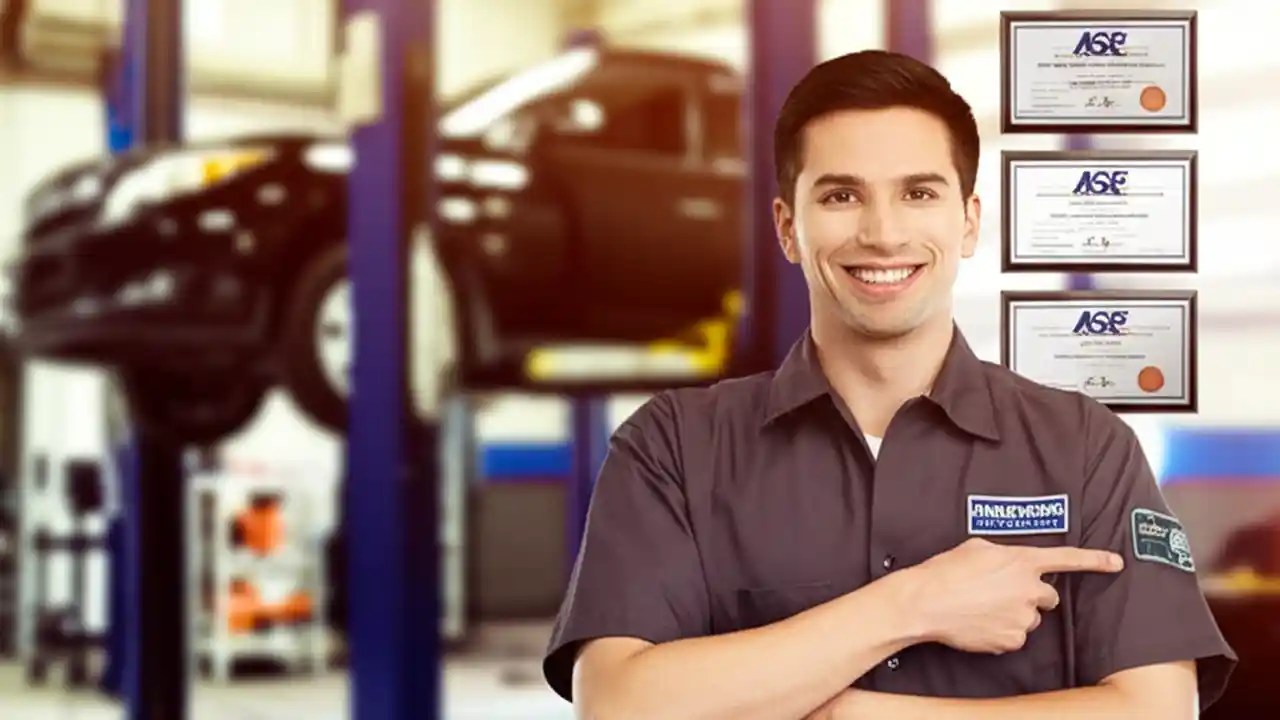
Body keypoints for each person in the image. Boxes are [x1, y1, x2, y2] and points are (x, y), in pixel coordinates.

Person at [541, 49, 1235, 719]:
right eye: (842, 195)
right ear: (788, 227)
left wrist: (848, 713)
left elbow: (1157, 709)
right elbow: (620, 705)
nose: (882, 232)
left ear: (967, 222)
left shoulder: (1084, 447)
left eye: (919, 193)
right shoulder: (675, 448)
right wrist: (915, 605)